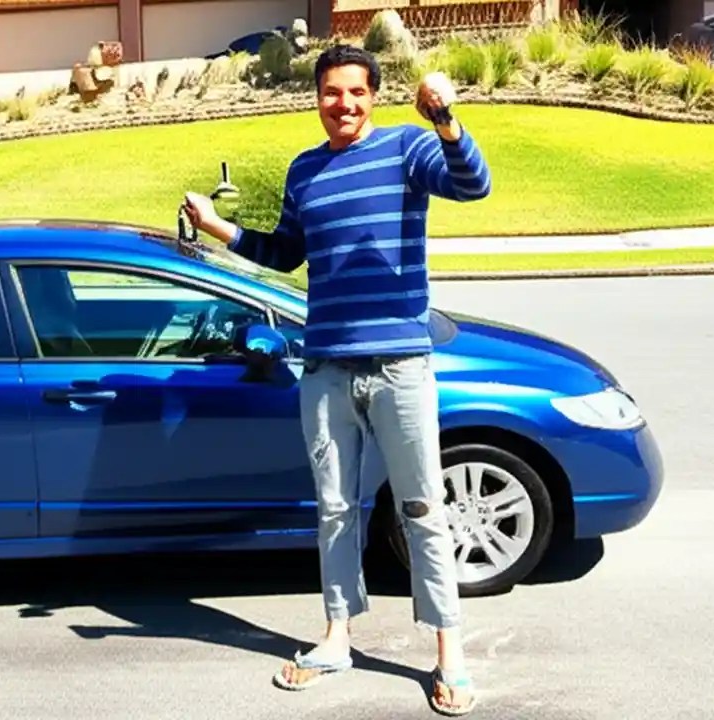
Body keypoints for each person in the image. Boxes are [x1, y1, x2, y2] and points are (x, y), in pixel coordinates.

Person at [182, 44, 491, 716]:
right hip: (324, 368)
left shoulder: (408, 151)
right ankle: (337, 635)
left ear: (372, 95)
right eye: (330, 92)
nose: (342, 104)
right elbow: (287, 252)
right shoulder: (305, 170)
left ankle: (449, 651)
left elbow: (473, 185)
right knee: (334, 511)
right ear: (316, 97)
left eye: (355, 92)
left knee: (421, 512)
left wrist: (445, 120)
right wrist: (218, 229)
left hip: (399, 367)